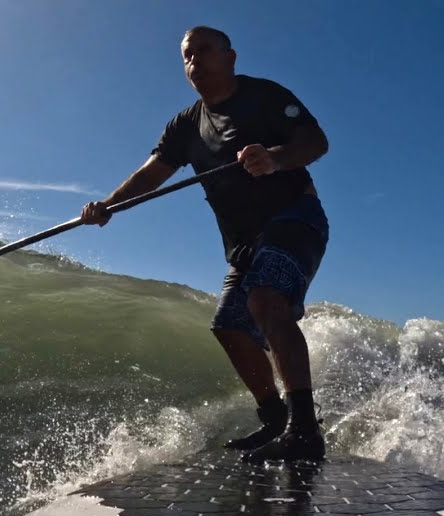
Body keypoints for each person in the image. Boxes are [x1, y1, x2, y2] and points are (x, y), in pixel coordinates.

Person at [80, 25, 330, 463]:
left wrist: (274, 158)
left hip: (295, 219)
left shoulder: (264, 95)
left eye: (204, 51)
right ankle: (275, 421)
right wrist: (109, 205)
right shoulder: (186, 125)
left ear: (230, 57)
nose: (194, 61)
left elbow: (315, 142)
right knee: (230, 327)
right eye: (186, 56)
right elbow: (151, 174)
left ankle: (305, 431)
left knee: (267, 298)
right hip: (244, 244)